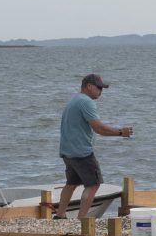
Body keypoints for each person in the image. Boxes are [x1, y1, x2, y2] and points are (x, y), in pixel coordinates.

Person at [54, 73, 133, 226]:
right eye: (99, 88)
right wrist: (120, 132)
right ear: (89, 86)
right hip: (81, 152)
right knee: (93, 184)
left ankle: (60, 216)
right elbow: (98, 128)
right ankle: (82, 221)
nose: (101, 92)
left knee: (71, 183)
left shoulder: (74, 100)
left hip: (67, 151)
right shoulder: (86, 102)